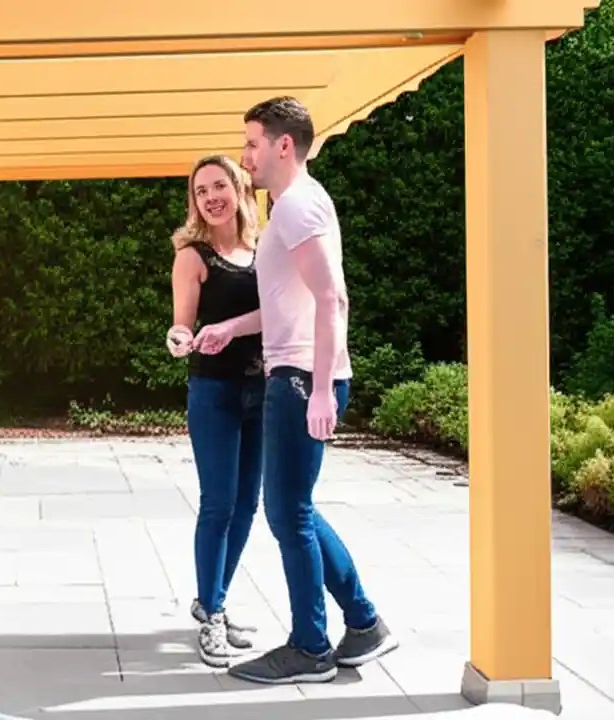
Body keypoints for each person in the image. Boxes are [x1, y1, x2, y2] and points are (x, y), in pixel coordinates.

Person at [193, 97, 398, 683]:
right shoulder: (296, 203)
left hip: (302, 376)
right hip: (301, 371)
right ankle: (362, 623)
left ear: (284, 145)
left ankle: (311, 647)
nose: (245, 155)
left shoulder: (295, 209)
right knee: (295, 510)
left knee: (289, 515)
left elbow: (332, 298)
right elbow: (290, 300)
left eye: (252, 143)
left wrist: (323, 390)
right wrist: (230, 327)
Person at [165, 155, 265, 668]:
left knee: (249, 504)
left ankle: (214, 603)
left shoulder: (265, 250)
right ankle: (214, 617)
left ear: (238, 188)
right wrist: (179, 338)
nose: (210, 197)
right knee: (219, 503)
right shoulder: (193, 255)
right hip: (214, 392)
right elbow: (182, 322)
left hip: (263, 393)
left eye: (218, 185)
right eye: (201, 190)